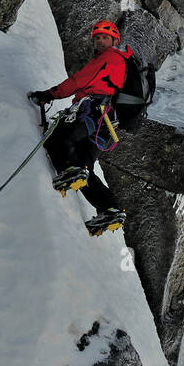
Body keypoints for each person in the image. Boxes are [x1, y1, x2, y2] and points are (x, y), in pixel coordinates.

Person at [28, 19, 133, 237]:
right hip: (106, 126)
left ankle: (69, 169)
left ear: (115, 40)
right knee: (84, 166)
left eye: (105, 37)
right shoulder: (122, 63)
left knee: (57, 140)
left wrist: (50, 94)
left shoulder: (110, 58)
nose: (100, 41)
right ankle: (110, 208)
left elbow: (78, 81)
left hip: (92, 113)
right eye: (97, 37)